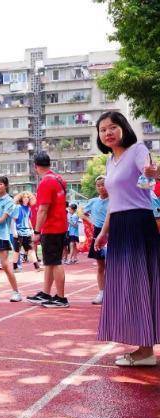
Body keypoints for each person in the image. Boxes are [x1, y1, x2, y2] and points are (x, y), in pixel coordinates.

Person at [93, 111, 159, 366]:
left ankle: (146, 350)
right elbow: (114, 202)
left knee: (140, 282)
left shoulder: (137, 149)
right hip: (120, 225)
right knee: (126, 285)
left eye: (112, 127)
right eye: (102, 130)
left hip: (137, 223)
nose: (107, 133)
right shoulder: (111, 161)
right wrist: (104, 232)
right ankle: (144, 346)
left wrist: (153, 172)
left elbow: (149, 174)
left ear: (123, 128)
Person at [28, 152, 69, 308]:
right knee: (50, 262)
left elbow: (43, 209)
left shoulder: (46, 182)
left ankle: (61, 298)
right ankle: (46, 293)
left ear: (35, 166)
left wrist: (37, 232)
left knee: (55, 262)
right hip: (60, 225)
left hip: (52, 227)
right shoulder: (59, 179)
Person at [81, 175, 109, 305]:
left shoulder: (114, 200)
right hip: (98, 233)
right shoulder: (93, 201)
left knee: (114, 265)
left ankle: (114, 291)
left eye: (103, 184)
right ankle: (102, 293)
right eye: (98, 185)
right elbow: (82, 214)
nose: (101, 187)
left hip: (112, 232)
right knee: (100, 265)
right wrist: (91, 222)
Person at [12, 192, 42, 272]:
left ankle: (37, 267)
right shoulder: (18, 207)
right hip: (19, 233)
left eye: (27, 197)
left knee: (31, 250)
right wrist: (14, 231)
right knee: (16, 251)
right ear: (21, 199)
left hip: (27, 233)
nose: (26, 199)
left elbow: (28, 219)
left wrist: (31, 229)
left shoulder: (28, 208)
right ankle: (15, 268)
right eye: (24, 197)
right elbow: (13, 220)